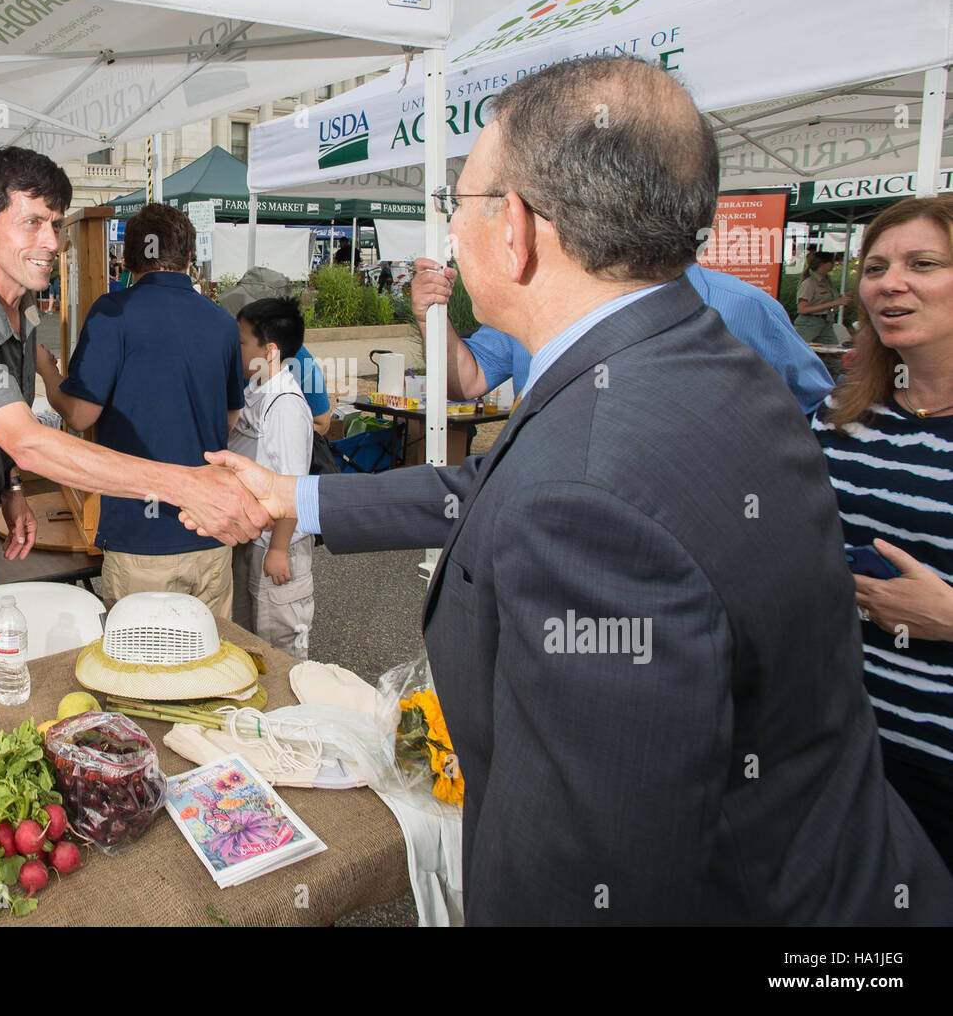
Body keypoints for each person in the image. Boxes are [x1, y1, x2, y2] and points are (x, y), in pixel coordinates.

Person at [203, 56, 953, 923]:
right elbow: (496, 478)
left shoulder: (594, 499)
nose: (451, 233)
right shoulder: (695, 355)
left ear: (515, 230)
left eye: (462, 205)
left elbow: (586, 871)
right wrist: (302, 499)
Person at [0, 149, 266, 677]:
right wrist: (186, 484)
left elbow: (19, 428)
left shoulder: (24, 310)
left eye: (53, 224)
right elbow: (28, 440)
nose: (51, 242)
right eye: (32, 222)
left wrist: (9, 491)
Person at [811, 194, 953, 870]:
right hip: (848, 751)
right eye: (875, 267)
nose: (891, 282)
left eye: (923, 263)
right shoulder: (841, 416)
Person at [37, 202, 244, 626]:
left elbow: (79, 415)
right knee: (210, 670)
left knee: (143, 678)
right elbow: (230, 420)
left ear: (128, 260)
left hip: (141, 540)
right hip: (212, 531)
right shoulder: (222, 322)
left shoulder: (112, 313)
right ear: (190, 257)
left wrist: (48, 373)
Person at [411, 258, 835, 415]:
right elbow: (464, 383)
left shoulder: (743, 307)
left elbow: (818, 415)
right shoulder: (533, 301)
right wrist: (434, 320)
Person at [228, 297, 315, 658]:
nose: (237, 347)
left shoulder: (287, 405)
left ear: (270, 350)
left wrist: (279, 548)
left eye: (243, 341)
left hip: (278, 546)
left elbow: (295, 486)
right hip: (255, 539)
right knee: (249, 640)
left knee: (278, 644)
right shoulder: (256, 392)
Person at [794, 250, 851, 345]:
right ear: (822, 264)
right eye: (831, 262)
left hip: (825, 321)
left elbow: (832, 298)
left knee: (832, 353)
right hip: (809, 322)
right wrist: (834, 303)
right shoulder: (809, 283)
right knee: (797, 349)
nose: (833, 264)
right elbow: (802, 309)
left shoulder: (826, 281)